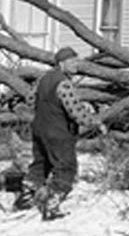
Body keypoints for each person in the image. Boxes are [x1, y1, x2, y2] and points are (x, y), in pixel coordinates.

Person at [14, 47, 107, 220]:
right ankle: (52, 206)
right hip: (59, 132)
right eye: (72, 62)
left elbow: (30, 99)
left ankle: (25, 199)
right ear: (62, 63)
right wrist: (95, 122)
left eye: (76, 61)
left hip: (40, 128)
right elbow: (75, 112)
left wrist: (47, 109)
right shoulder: (64, 83)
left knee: (41, 163)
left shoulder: (43, 78)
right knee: (66, 167)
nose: (76, 65)